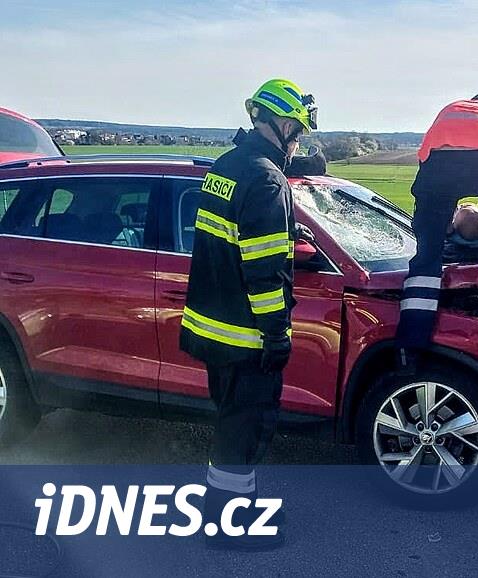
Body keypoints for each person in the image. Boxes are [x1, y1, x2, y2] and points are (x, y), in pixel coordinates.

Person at [180, 78, 317, 551]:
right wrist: (276, 334)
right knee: (244, 430)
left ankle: (234, 511)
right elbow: (264, 270)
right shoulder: (265, 179)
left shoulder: (227, 166)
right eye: (296, 130)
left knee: (230, 421)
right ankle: (228, 529)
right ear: (280, 123)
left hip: (211, 326)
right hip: (245, 336)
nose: (297, 141)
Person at [397, 94, 478, 356]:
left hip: (436, 166)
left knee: (425, 259)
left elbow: (427, 169)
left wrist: (438, 230)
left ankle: (411, 345)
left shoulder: (448, 110)